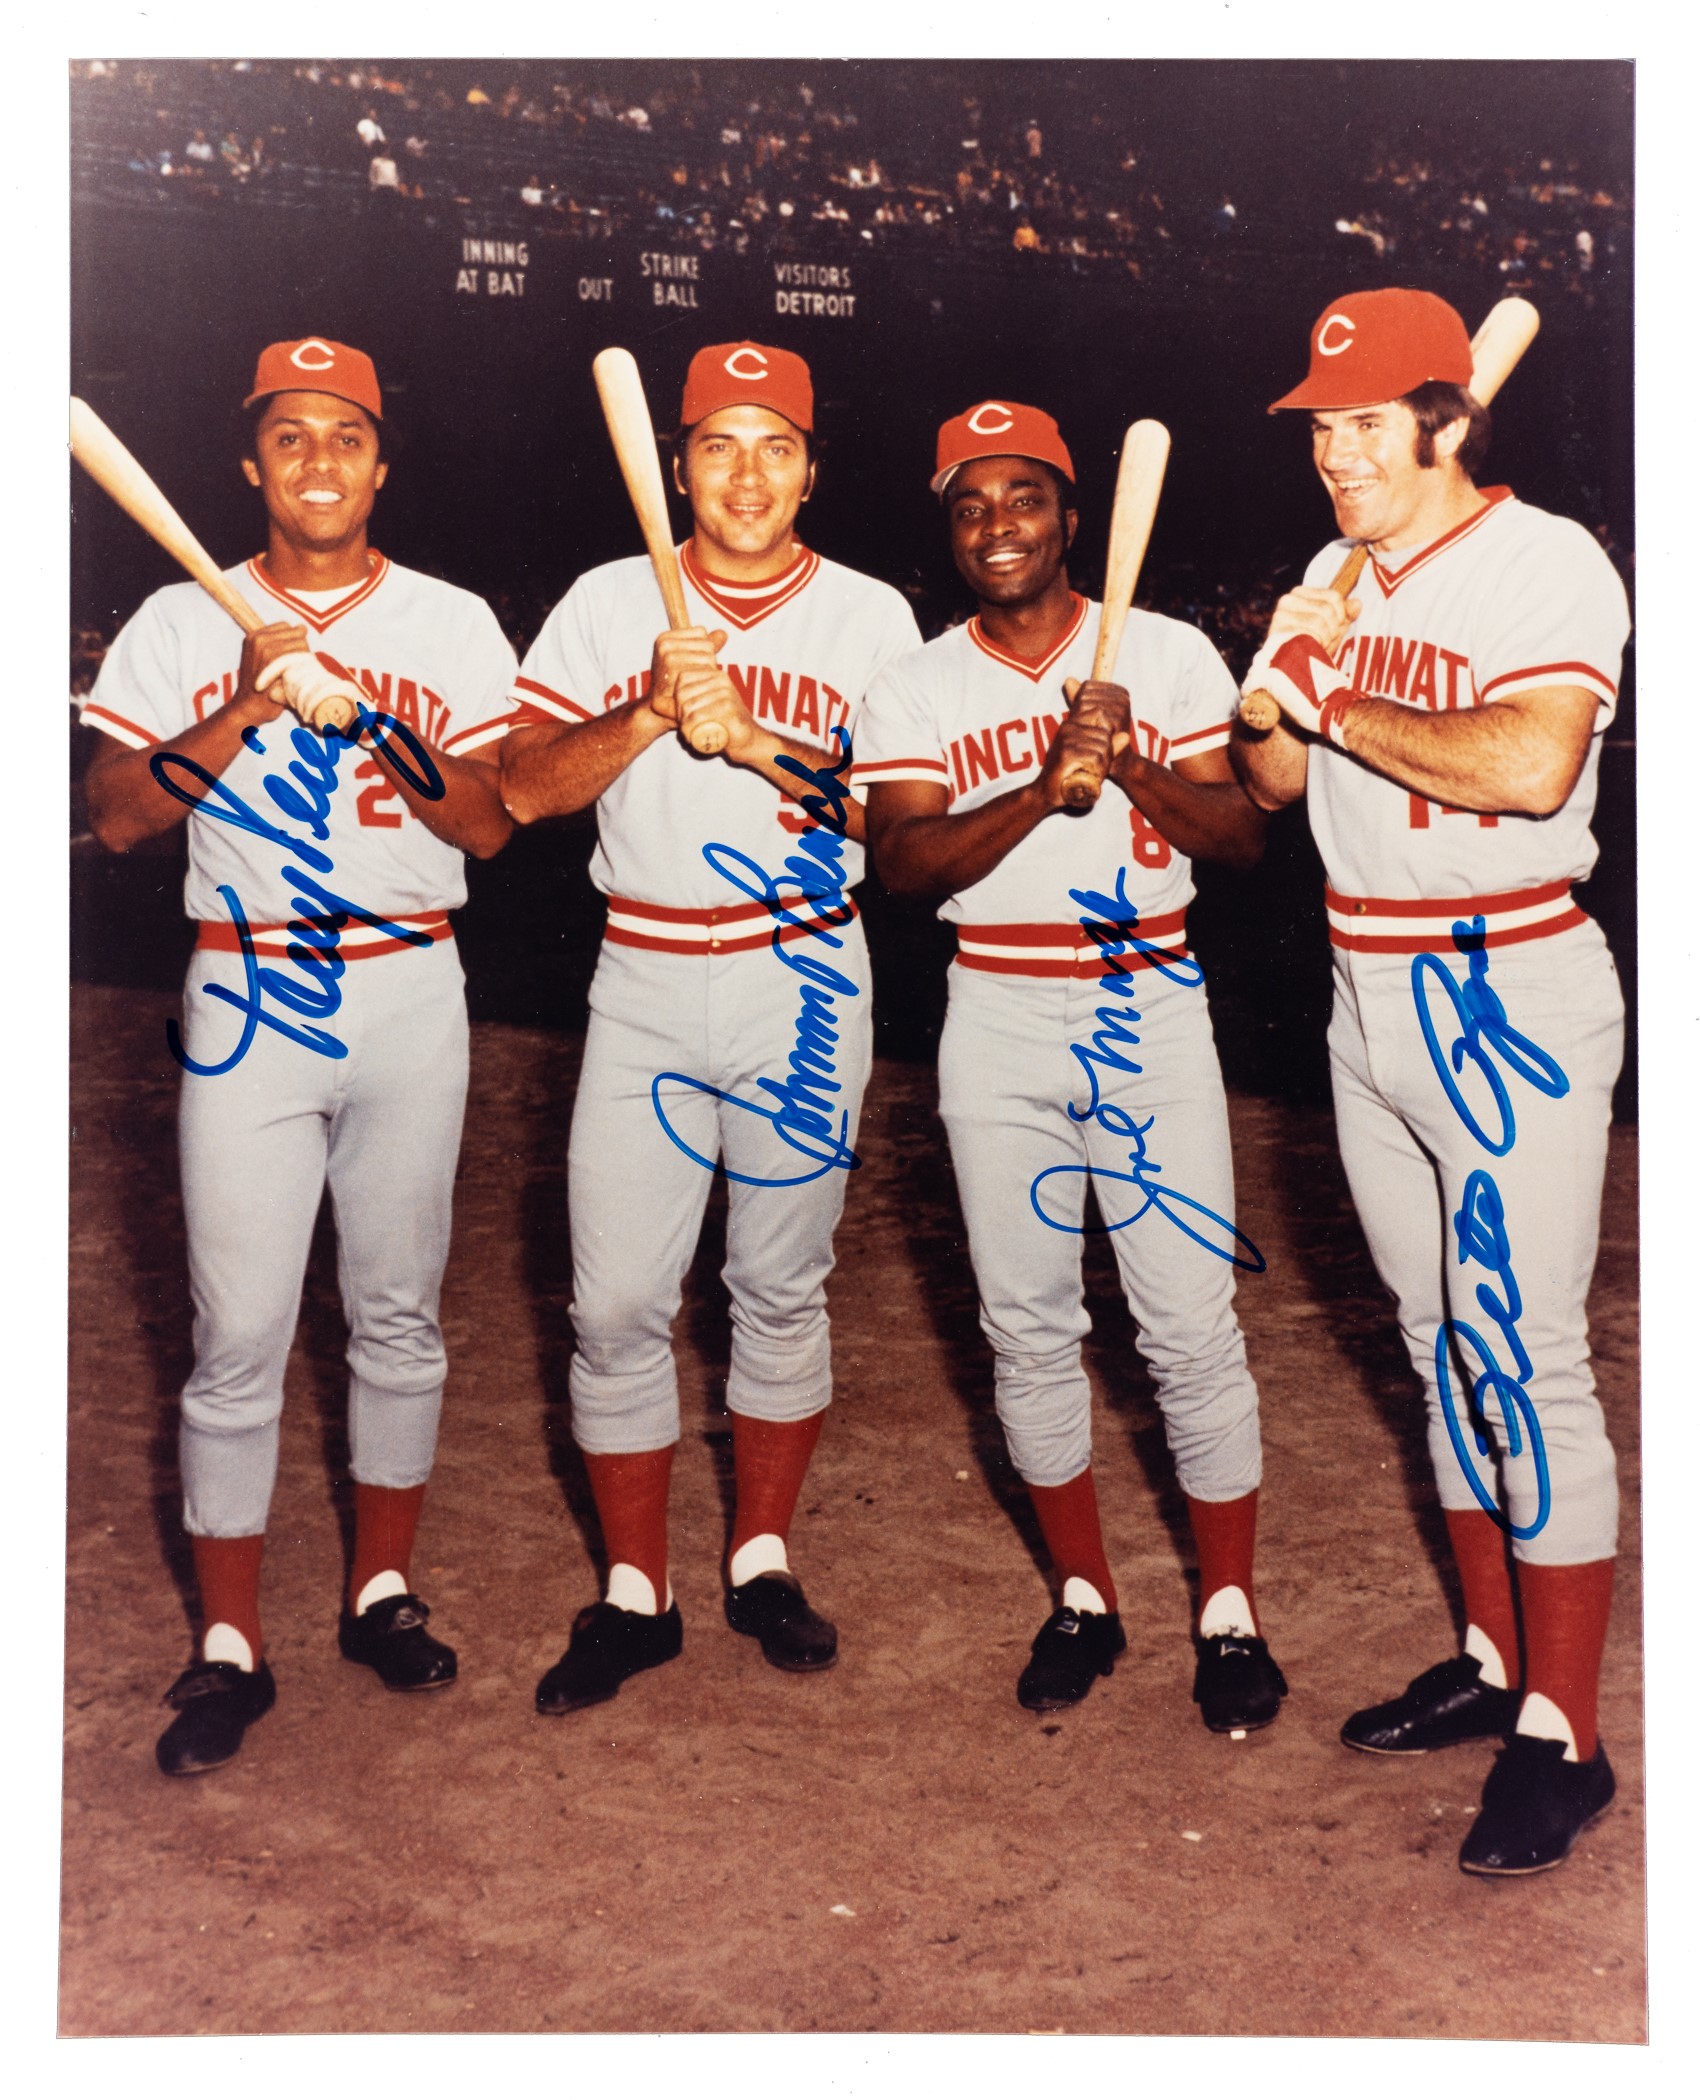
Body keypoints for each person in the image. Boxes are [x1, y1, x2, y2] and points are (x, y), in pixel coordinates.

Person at [1230, 287, 1630, 1875]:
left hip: (1503, 983)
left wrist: (1339, 698)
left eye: (1366, 424)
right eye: (1319, 426)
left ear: (1446, 422)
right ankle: (1492, 1657)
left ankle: (1569, 1736)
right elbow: (1267, 782)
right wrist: (1284, 671)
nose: (1335, 455)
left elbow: (1530, 765)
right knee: (1431, 1335)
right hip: (1360, 990)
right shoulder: (1334, 575)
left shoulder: (1553, 562)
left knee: (1524, 1349)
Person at [81, 338, 522, 1775]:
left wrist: (371, 714)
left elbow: (491, 825)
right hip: (249, 995)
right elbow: (122, 819)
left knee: (397, 1314)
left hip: (408, 989)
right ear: (252, 464)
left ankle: (379, 1589)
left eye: (346, 434)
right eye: (290, 436)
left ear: (381, 463)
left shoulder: (452, 622)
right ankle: (227, 1642)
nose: (319, 458)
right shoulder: (170, 619)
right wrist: (253, 699)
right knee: (239, 1332)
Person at [500, 341, 920, 1713]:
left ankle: (761, 1558)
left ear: (812, 468)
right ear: (679, 467)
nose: (747, 476)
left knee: (779, 1286)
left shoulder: (869, 617)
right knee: (617, 1298)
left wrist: (756, 742)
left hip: (806, 980)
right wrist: (642, 711)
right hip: (646, 976)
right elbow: (519, 792)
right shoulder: (609, 600)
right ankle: (637, 1593)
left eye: (775, 447)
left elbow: (909, 833)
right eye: (720, 448)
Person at [858, 400, 1284, 1731]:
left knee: (1188, 1323)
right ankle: (1084, 1597)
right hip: (994, 1012)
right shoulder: (917, 682)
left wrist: (1137, 760)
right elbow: (907, 867)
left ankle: (1228, 1613)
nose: (997, 527)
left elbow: (1246, 843)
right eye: (971, 505)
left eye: (1023, 498)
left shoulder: (1163, 652)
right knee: (1027, 1325)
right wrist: (1045, 783)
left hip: (1148, 1002)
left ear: (1068, 515)